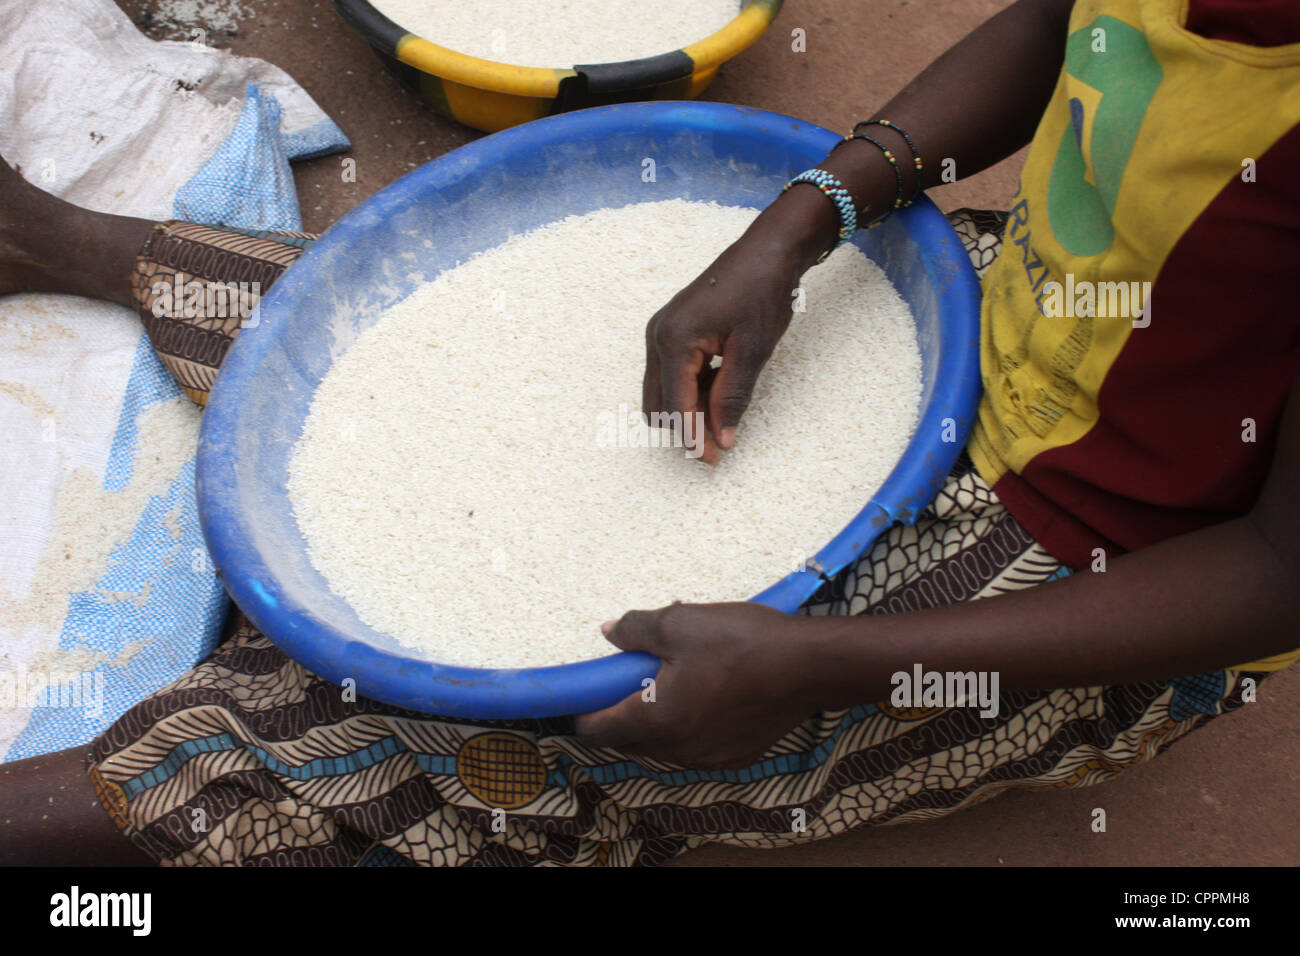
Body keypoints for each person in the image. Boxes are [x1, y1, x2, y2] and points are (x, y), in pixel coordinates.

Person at [0, 0, 1296, 866]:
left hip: (1087, 564)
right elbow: (1057, 25)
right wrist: (798, 228)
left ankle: (133, 785)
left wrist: (829, 667)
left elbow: (1278, 571)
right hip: (1027, 307)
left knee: (507, 741)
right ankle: (63, 239)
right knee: (453, 338)